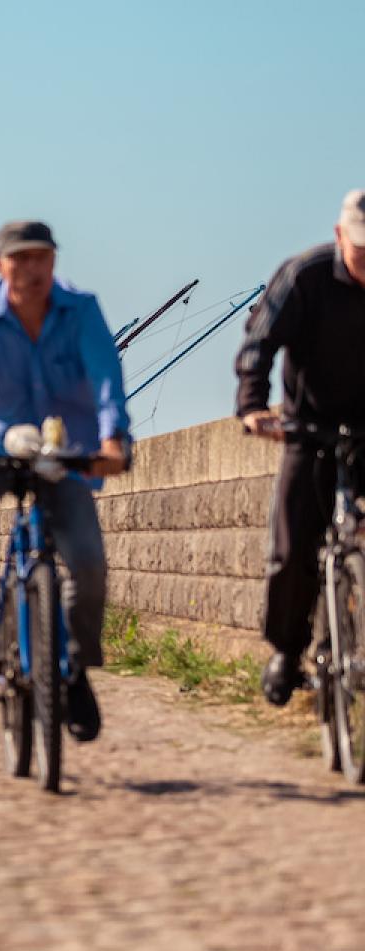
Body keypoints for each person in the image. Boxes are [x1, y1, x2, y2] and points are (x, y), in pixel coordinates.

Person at [0, 220, 130, 742]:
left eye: (40, 258)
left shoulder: (81, 310)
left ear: (53, 262)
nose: (31, 269)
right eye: (19, 260)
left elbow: (106, 375)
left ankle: (76, 667)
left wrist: (114, 441)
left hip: (67, 449)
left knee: (87, 560)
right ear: (0, 266)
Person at [236, 190, 365, 706]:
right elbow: (258, 343)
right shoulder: (305, 276)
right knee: (292, 552)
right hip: (309, 427)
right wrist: (252, 406)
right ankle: (287, 652)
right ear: (340, 238)